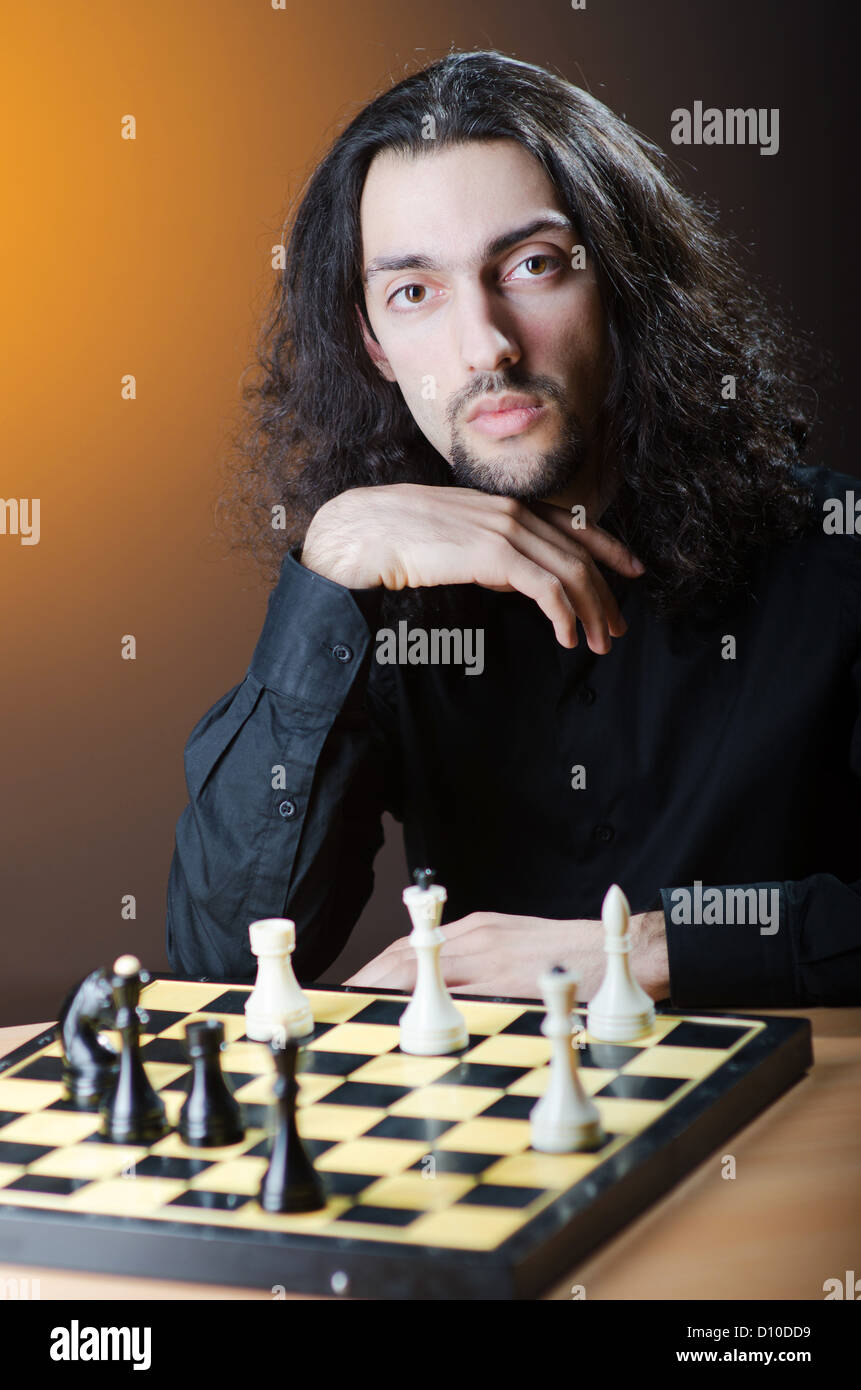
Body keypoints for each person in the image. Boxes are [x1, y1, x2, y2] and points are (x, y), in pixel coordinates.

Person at [166, 51, 860, 1008]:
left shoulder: (837, 552)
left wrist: (643, 950)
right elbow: (222, 964)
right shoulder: (382, 596)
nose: (485, 345)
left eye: (531, 266)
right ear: (372, 342)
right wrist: (323, 577)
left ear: (623, 280)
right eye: (415, 291)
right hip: (501, 1146)